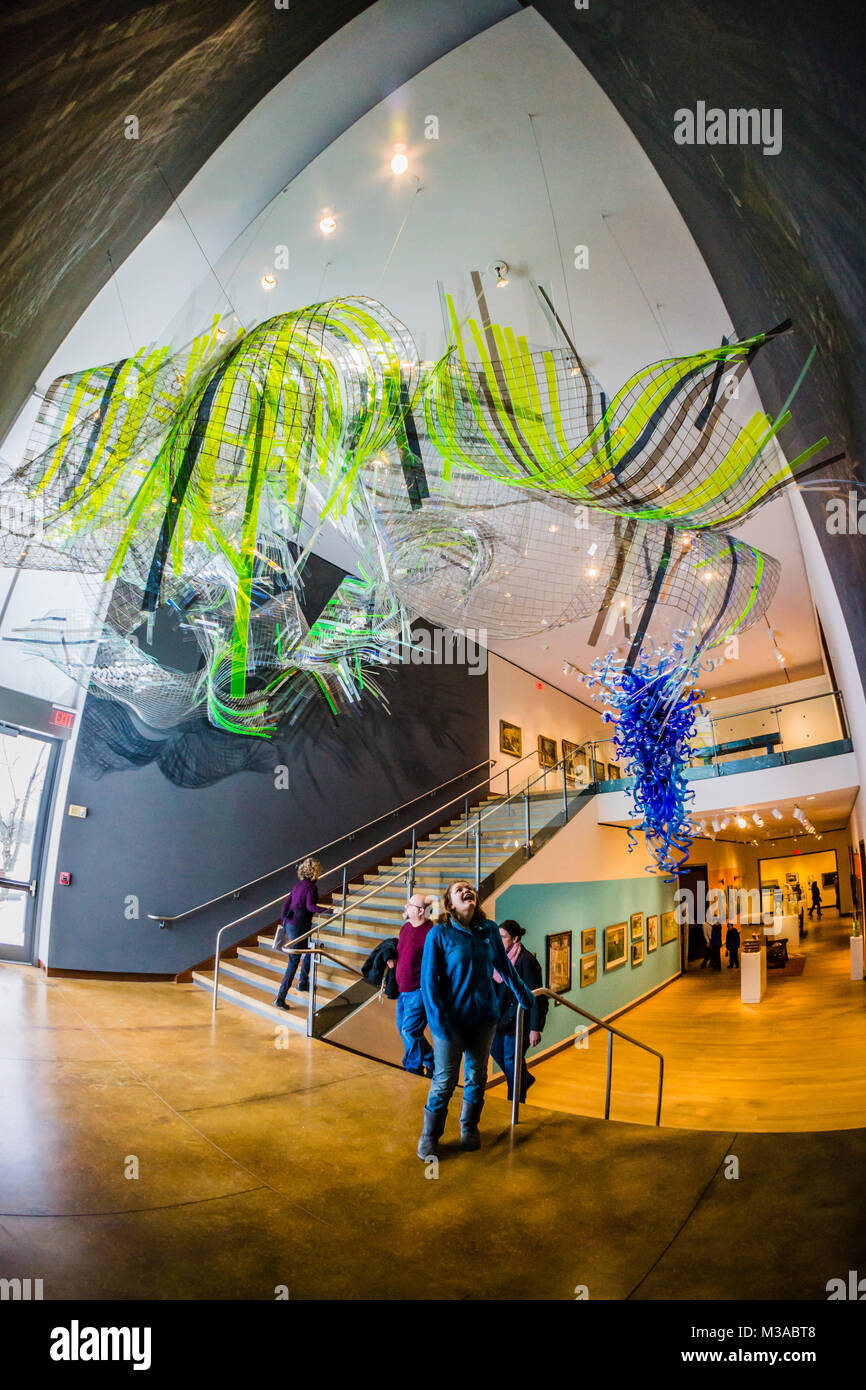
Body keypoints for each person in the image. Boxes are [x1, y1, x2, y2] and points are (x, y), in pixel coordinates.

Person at [417, 880, 535, 1160]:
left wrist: (524, 994)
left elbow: (503, 967)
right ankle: (430, 1136)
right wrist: (438, 1024)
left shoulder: (490, 930)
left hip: (484, 1020)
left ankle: (469, 1127)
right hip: (450, 1024)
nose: (466, 890)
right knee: (444, 1082)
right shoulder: (439, 934)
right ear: (449, 902)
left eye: (469, 887)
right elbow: (428, 983)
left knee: (477, 1076)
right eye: (458, 889)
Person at [489, 920, 548, 1102]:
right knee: (494, 1050)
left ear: (515, 939)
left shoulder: (526, 961)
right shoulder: (498, 958)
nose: (499, 940)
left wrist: (535, 1028)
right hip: (499, 1019)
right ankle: (525, 1079)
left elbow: (537, 996)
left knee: (511, 1061)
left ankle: (515, 1102)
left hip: (518, 1022)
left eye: (503, 937)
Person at [272, 858, 332, 1009]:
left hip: (294, 925)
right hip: (300, 927)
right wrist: (330, 911)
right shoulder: (311, 888)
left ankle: (303, 982)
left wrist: (285, 922)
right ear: (315, 872)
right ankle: (280, 997)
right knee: (294, 961)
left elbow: (285, 905)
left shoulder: (298, 885)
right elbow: (310, 906)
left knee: (311, 950)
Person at [387, 894, 435, 1077]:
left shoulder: (431, 932)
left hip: (418, 991)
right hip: (403, 990)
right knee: (404, 1030)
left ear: (421, 911)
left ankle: (412, 1069)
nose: (405, 907)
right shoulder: (406, 928)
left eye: (410, 905)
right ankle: (431, 1060)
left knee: (410, 1030)